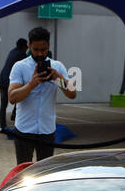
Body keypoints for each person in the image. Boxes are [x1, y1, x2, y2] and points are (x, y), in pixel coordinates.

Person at [7, 25, 76, 164]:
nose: (39, 53)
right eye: (35, 49)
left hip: (47, 130)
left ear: (49, 46)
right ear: (29, 46)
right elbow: (12, 98)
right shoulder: (20, 66)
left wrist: (58, 78)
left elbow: (72, 94)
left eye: (43, 49)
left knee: (44, 172)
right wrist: (31, 84)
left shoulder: (58, 67)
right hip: (24, 129)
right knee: (23, 171)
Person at [0, 36, 27, 131]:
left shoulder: (13, 51)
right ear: (24, 47)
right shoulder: (21, 55)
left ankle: (3, 125)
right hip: (7, 82)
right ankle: (14, 117)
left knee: (3, 105)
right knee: (19, 97)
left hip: (1, 80)